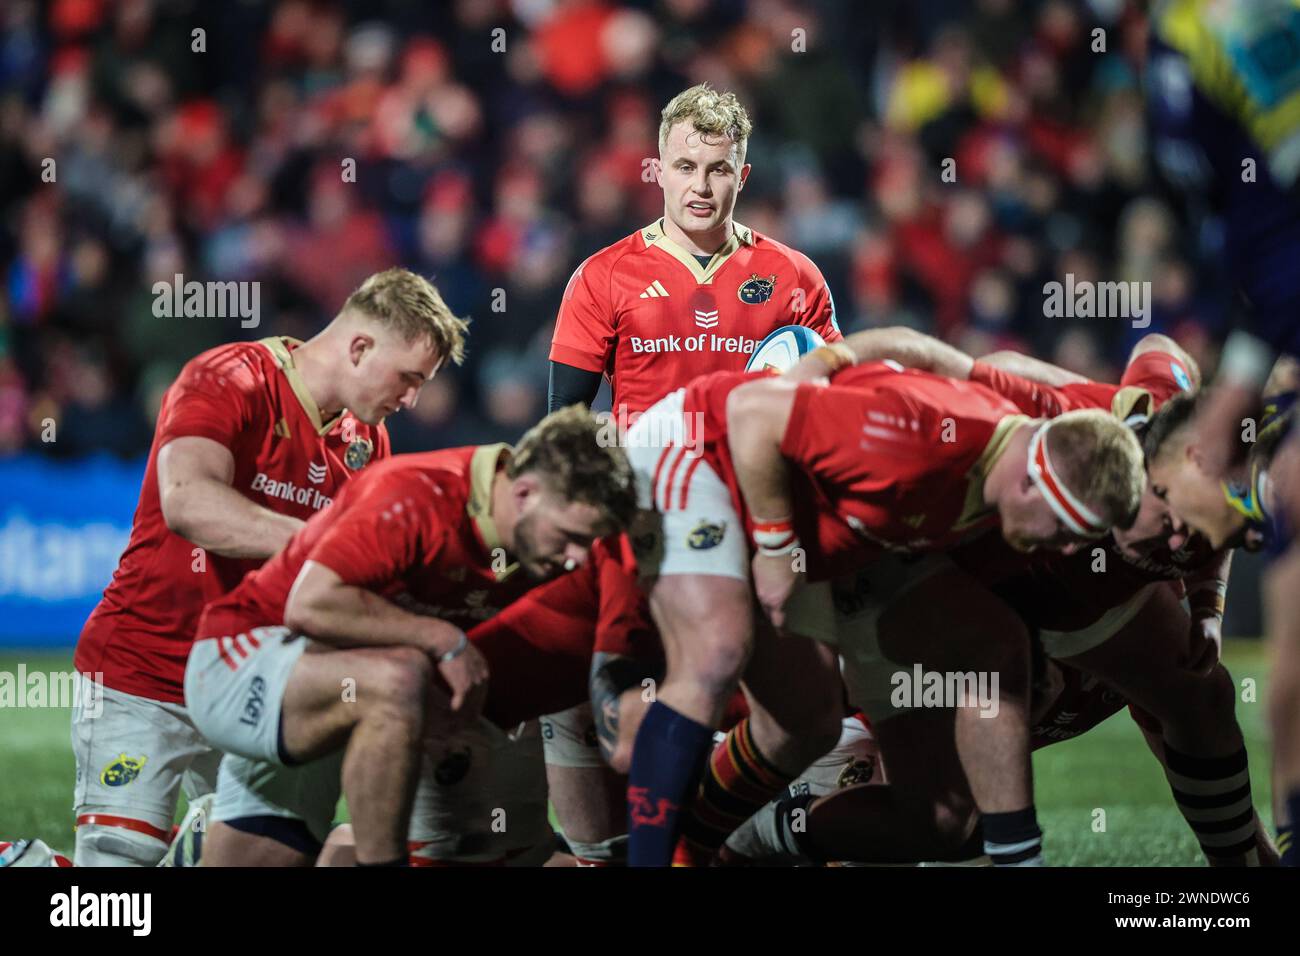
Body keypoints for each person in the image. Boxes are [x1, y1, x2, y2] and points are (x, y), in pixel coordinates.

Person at [71, 268, 468, 866]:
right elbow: (188, 502)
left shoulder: (368, 443)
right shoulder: (225, 378)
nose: (412, 398)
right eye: (408, 378)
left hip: (250, 683)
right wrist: (325, 542)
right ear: (359, 348)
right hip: (144, 669)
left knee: (268, 857)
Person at [184, 406, 636, 865]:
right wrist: (444, 640)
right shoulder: (415, 493)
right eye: (570, 536)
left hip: (341, 688)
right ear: (524, 493)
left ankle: (195, 852)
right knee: (402, 678)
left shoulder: (535, 545)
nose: (577, 556)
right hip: (247, 657)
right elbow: (311, 605)